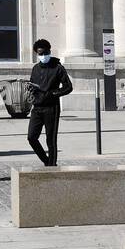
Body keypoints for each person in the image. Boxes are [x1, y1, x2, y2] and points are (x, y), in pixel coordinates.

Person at [26, 39, 73, 167]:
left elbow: (68, 87)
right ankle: (47, 161)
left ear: (49, 51)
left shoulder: (58, 68)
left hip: (51, 108)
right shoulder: (35, 68)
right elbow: (32, 82)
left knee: (50, 139)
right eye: (40, 54)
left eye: (45, 53)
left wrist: (53, 93)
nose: (43, 56)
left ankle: (51, 166)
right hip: (37, 107)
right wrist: (30, 88)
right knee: (31, 137)